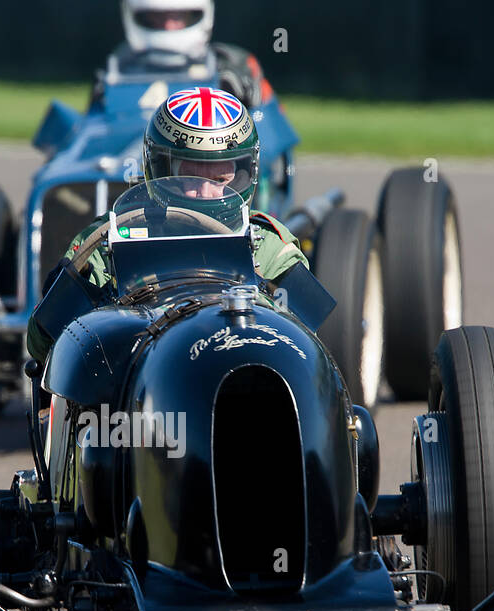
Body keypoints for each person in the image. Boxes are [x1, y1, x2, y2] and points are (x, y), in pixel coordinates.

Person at [27, 87, 306, 362]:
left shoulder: (270, 246)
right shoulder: (108, 240)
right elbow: (42, 348)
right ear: (159, 168)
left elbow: (307, 347)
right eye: (191, 179)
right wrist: (62, 302)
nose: (206, 194)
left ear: (246, 173)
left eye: (220, 181)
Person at [115, 0, 274, 109]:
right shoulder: (116, 69)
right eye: (157, 17)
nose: (168, 26)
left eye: (178, 17)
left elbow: (270, 135)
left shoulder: (235, 66)